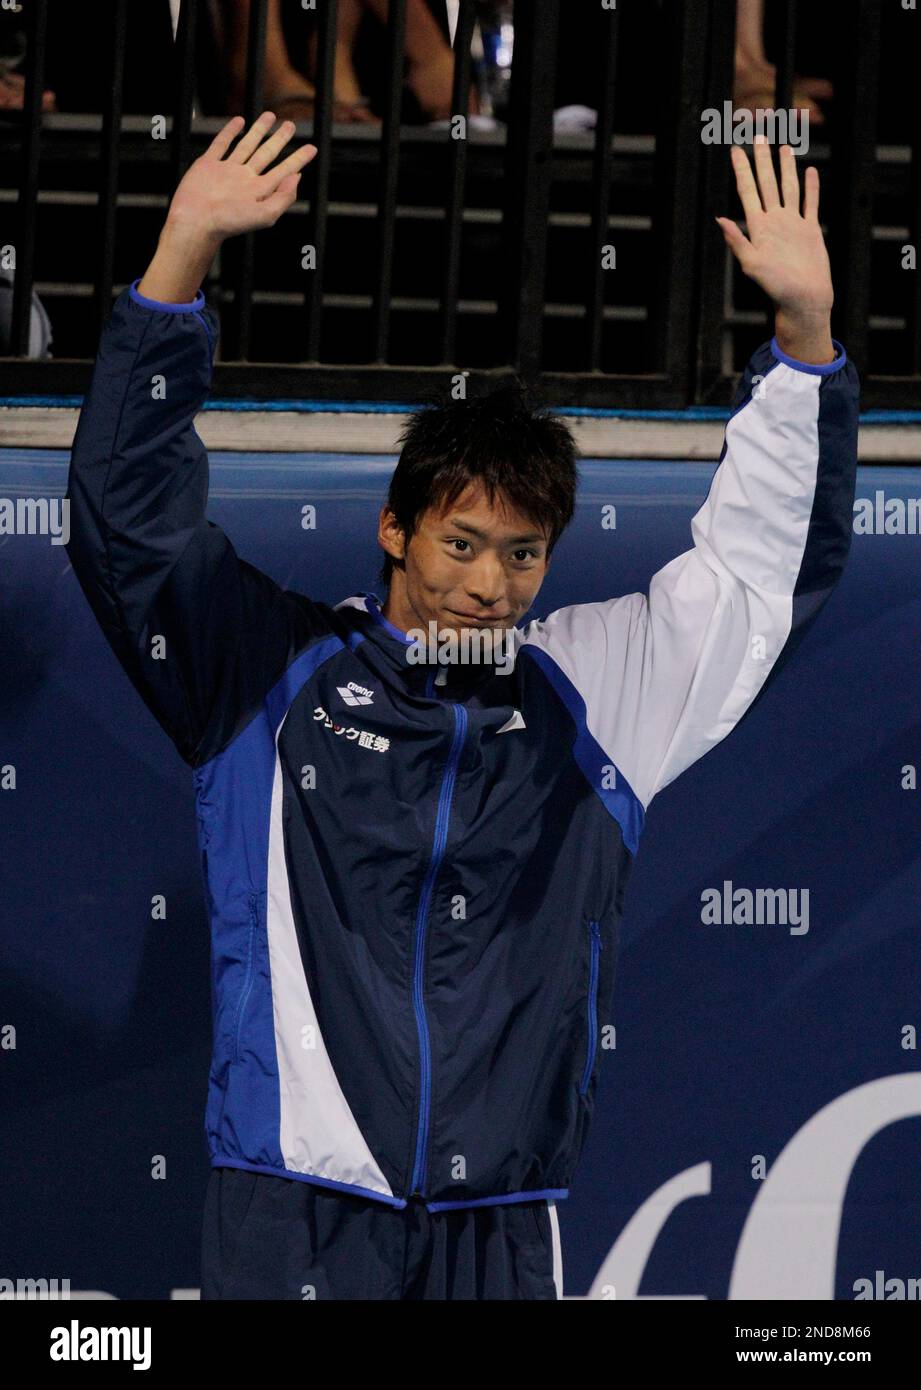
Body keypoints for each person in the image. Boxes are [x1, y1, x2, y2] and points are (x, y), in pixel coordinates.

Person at [65, 113, 858, 1300]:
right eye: (463, 543)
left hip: (497, 1226)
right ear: (395, 528)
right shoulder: (262, 675)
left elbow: (760, 576)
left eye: (525, 555)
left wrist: (804, 341)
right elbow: (127, 528)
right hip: (296, 1214)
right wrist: (178, 260)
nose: (490, 584)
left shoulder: (594, 694)